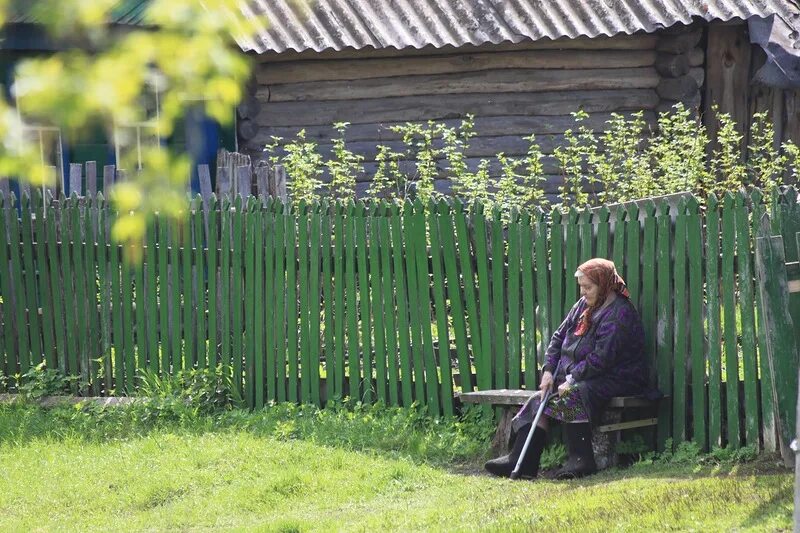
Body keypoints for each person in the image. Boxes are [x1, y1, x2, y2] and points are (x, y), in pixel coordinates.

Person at [485, 258, 651, 480]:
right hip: (583, 375)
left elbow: (602, 358)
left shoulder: (620, 313)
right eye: (581, 286)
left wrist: (572, 379)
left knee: (573, 395)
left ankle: (582, 461)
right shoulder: (582, 306)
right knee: (539, 399)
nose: (583, 292)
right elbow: (558, 338)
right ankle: (521, 461)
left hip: (618, 376)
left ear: (604, 284)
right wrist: (547, 370)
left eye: (588, 287)